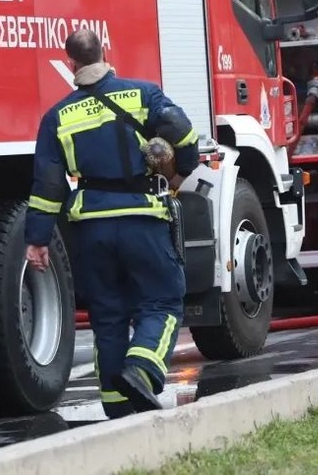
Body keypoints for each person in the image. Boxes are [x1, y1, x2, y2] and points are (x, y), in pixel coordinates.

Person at [23, 29, 198, 419]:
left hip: (92, 229)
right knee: (164, 301)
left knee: (108, 315)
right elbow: (183, 134)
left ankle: (117, 410)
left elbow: (48, 186)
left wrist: (36, 239)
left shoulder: (57, 117)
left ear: (71, 63)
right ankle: (143, 369)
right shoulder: (143, 95)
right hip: (142, 218)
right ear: (105, 53)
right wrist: (177, 174)